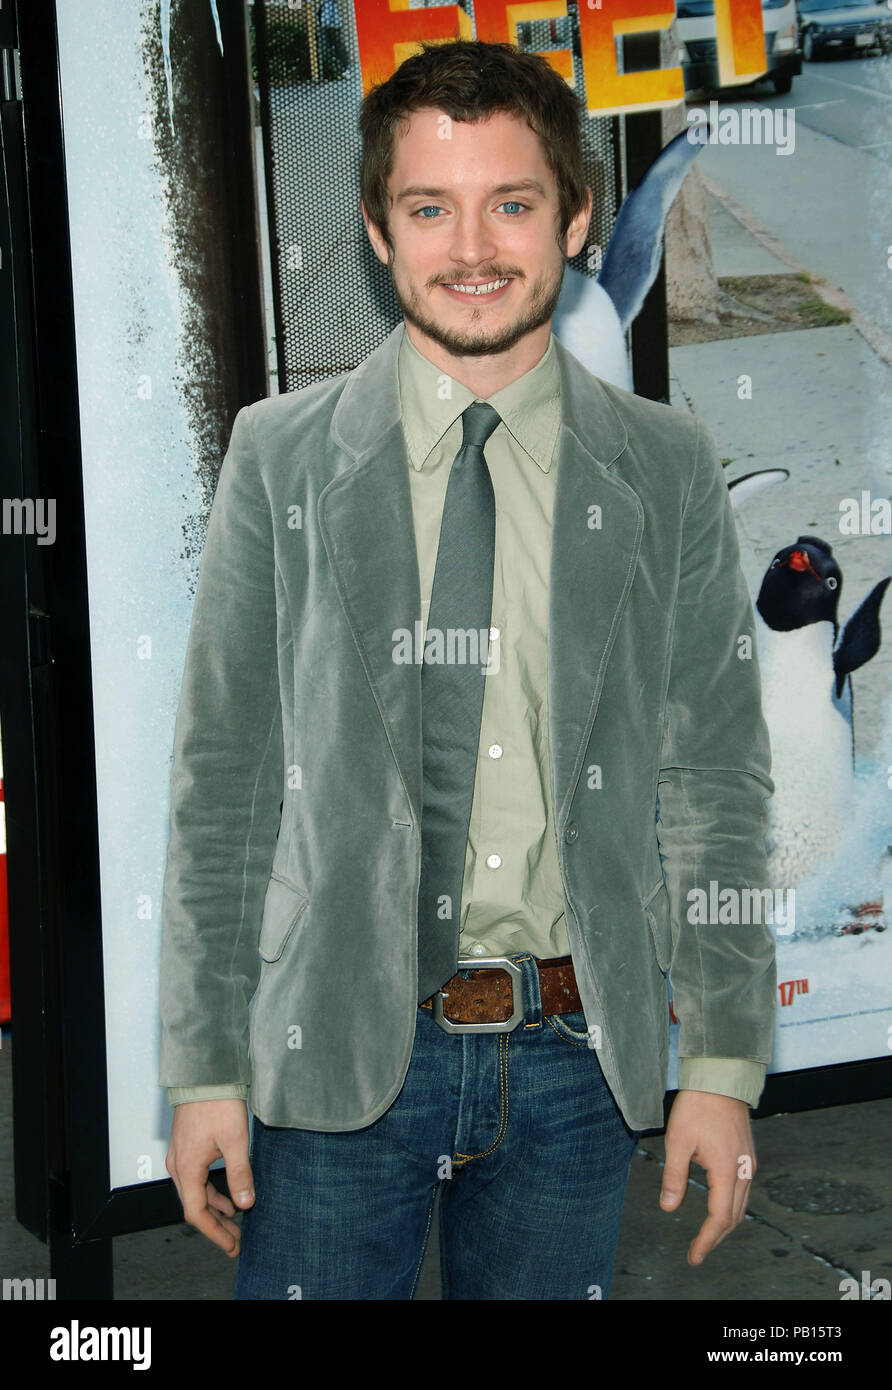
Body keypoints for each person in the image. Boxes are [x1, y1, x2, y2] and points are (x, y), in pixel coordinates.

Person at [160, 39, 777, 1301]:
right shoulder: (278, 458)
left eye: (512, 203)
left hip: (571, 1059)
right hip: (332, 1052)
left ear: (577, 217)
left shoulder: (663, 468)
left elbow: (713, 777)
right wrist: (204, 1071)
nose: (473, 247)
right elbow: (223, 786)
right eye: (428, 208)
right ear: (380, 238)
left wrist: (719, 1063)